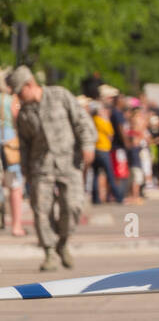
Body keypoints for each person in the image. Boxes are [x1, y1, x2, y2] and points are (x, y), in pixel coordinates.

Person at [10, 66, 97, 270]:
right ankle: (49, 252)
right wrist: (25, 170)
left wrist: (87, 145)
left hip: (69, 162)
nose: (18, 97)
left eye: (20, 91)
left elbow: (82, 121)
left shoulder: (60, 95)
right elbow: (24, 144)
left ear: (30, 85)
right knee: (41, 210)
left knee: (73, 206)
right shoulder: (24, 114)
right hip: (41, 166)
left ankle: (63, 242)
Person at [0, 71, 26, 237]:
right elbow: (19, 121)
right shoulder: (11, 101)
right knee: (14, 185)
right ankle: (16, 225)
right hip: (9, 147)